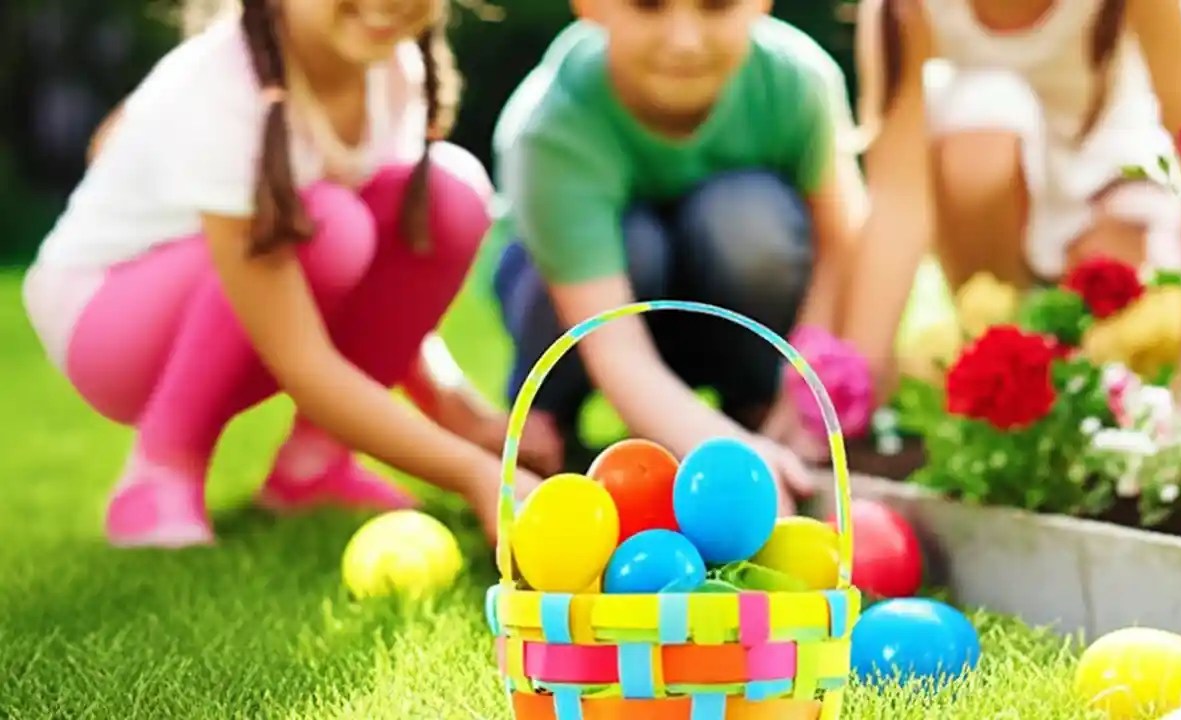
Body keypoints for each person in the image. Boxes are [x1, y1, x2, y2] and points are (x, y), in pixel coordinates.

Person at [21, 0, 553, 549]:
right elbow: (303, 359)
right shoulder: (223, 89)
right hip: (108, 325)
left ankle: (312, 465)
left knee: (448, 198)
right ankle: (162, 466)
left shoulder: (392, 69)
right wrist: (475, 473)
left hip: (251, 287)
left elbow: (383, 298)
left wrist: (462, 412)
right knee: (327, 228)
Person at [487, 0, 868, 514]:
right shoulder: (552, 125)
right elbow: (612, 343)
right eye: (648, 5)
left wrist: (804, 390)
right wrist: (728, 460)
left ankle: (754, 407)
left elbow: (841, 245)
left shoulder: (795, 81)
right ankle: (550, 426)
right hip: (589, 317)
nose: (685, 39)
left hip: (717, 297)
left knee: (749, 221)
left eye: (717, 6)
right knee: (637, 245)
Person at [842, 0, 1181, 400]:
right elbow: (897, 199)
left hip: (1107, 175)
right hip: (993, 197)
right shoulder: (908, 9)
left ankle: (1103, 375)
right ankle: (1005, 350)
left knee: (1128, 239)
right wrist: (855, 375)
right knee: (984, 114)